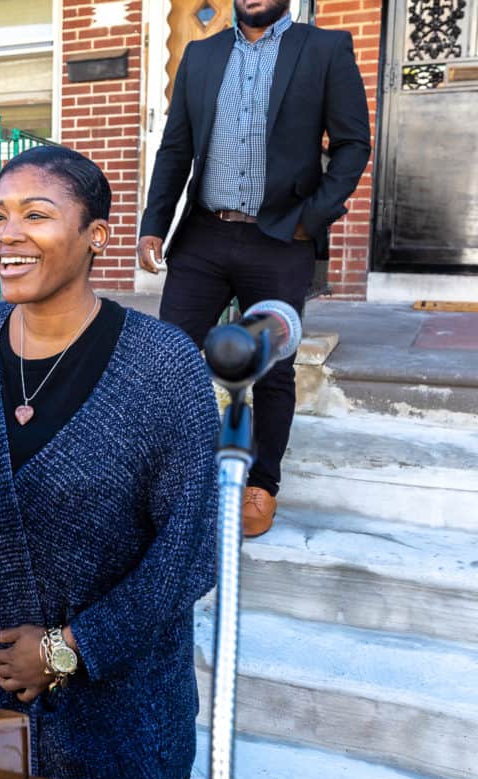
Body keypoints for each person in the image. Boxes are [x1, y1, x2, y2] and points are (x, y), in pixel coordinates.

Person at [0, 146, 219, 779]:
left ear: (95, 237)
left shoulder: (163, 367)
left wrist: (67, 649)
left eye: (36, 214)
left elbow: (189, 553)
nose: (7, 235)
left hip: (121, 717)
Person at [137, 0, 371, 536]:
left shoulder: (325, 49)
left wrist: (310, 220)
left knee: (271, 366)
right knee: (166, 359)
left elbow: (354, 143)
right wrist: (154, 223)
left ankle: (261, 483)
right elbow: (175, 149)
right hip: (204, 233)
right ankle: (171, 475)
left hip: (281, 236)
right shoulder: (200, 55)